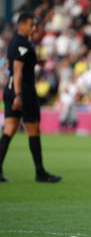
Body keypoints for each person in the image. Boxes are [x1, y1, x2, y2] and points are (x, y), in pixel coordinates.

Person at [0, 13, 62, 183]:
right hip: (23, 92)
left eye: (35, 25)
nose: (34, 28)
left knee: (9, 129)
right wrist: (19, 95)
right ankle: (40, 173)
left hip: (10, 89)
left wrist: (38, 62)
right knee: (33, 129)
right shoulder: (22, 44)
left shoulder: (18, 43)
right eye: (31, 25)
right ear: (21, 25)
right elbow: (18, 70)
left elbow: (20, 66)